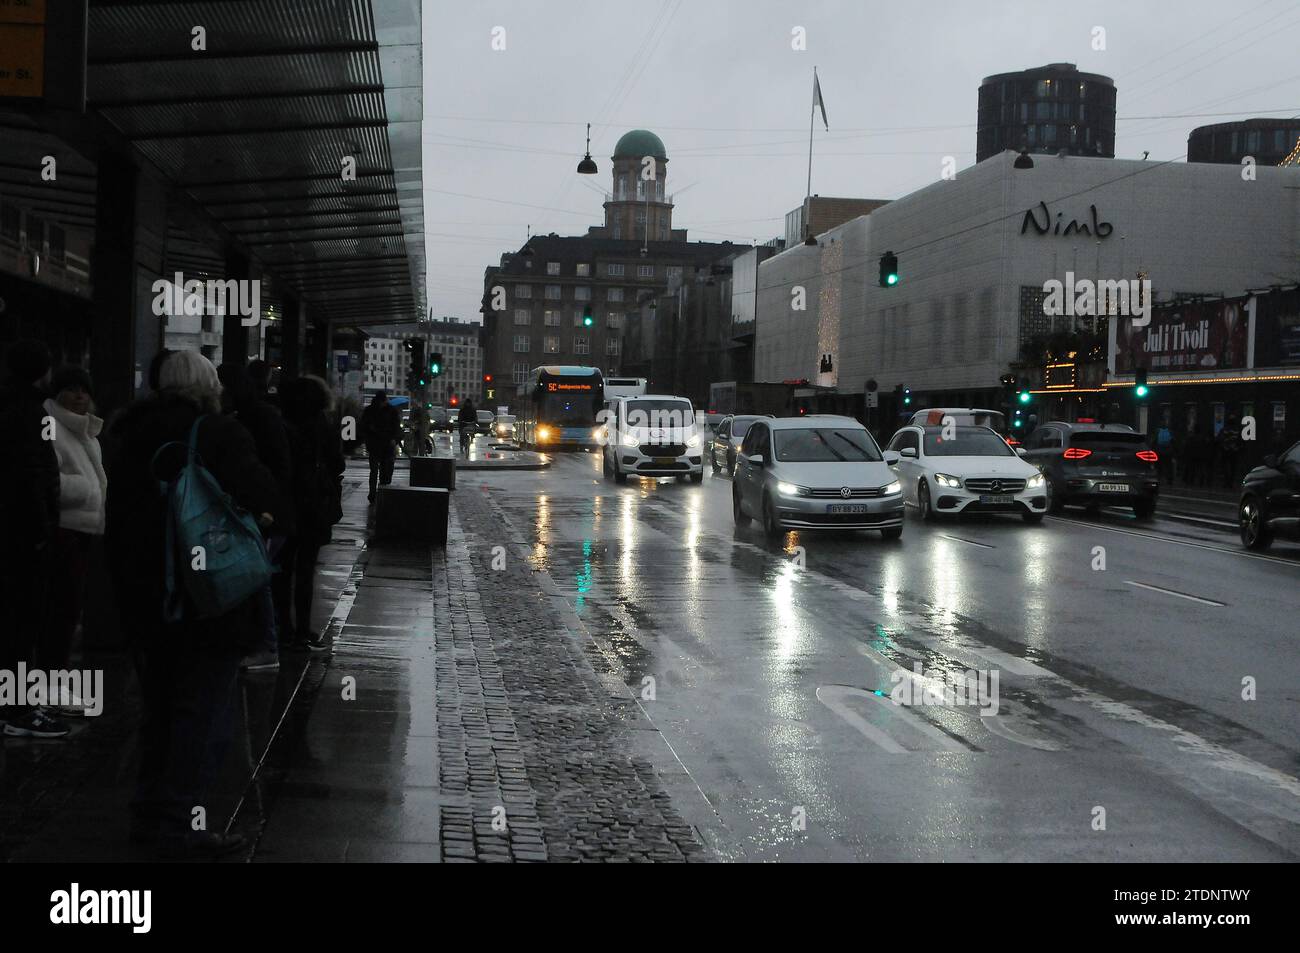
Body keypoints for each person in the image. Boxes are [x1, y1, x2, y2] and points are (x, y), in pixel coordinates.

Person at [105, 349, 278, 857]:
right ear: (208, 385)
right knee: (200, 718)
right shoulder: (218, 433)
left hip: (145, 598)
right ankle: (179, 825)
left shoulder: (126, 434)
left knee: (158, 712)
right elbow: (265, 496)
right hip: (208, 600)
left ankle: (150, 817)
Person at [0, 340, 66, 738]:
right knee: (23, 625)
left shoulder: (7, 407)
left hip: (10, 531)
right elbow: (35, 477)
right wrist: (43, 531)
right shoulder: (33, 414)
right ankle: (18, 708)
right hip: (25, 537)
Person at [40, 365, 108, 716]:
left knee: (67, 612)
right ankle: (48, 688)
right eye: (72, 389)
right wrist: (89, 491)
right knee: (59, 613)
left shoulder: (85, 432)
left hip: (83, 530)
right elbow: (48, 480)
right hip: (65, 529)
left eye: (84, 390)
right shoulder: (53, 427)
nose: (80, 396)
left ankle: (54, 683)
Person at [217, 363, 295, 673]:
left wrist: (268, 509)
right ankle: (264, 641)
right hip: (268, 512)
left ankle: (266, 644)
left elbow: (273, 468)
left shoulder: (252, 419)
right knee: (257, 576)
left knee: (256, 577)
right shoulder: (260, 416)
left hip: (265, 514)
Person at [276, 375, 344, 651]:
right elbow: (337, 462)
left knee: (281, 568)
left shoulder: (282, 423)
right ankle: (303, 629)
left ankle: (283, 627)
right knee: (306, 569)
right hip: (313, 505)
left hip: (285, 503)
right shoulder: (323, 425)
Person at [359, 390, 400, 502]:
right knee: (380, 470)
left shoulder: (370, 410)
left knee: (378, 471)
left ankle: (375, 493)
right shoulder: (390, 410)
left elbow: (363, 426)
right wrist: (394, 438)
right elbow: (396, 427)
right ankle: (377, 493)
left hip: (378, 445)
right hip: (381, 445)